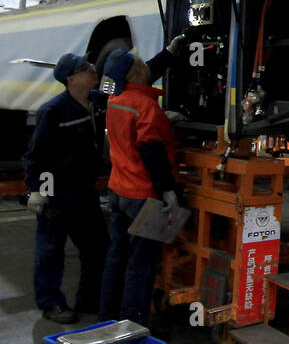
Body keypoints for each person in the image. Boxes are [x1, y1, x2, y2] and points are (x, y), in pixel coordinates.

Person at [22, 53, 107, 323]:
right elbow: (37, 156)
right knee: (50, 251)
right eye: (86, 68)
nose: (93, 70)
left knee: (96, 248)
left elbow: (130, 98)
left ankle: (88, 299)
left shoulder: (96, 103)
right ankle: (51, 304)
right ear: (71, 79)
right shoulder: (54, 110)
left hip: (84, 191)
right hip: (57, 194)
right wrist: (38, 191)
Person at [100, 48, 182, 326]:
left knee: (116, 258)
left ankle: (107, 317)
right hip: (144, 197)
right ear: (135, 72)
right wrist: (168, 190)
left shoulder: (115, 98)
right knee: (141, 267)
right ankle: (132, 327)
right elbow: (152, 154)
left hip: (118, 191)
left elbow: (144, 73)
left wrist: (170, 52)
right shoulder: (145, 107)